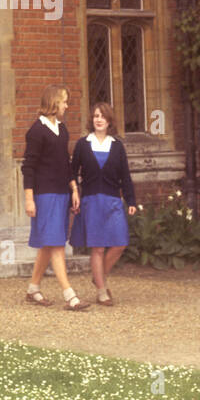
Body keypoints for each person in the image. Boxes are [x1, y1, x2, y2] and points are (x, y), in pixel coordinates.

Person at [22, 84, 89, 310]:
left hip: (61, 194)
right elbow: (28, 167)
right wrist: (29, 198)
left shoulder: (62, 129)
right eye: (64, 102)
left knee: (48, 243)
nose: (67, 106)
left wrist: (74, 189)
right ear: (54, 102)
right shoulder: (36, 131)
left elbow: (65, 164)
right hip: (44, 195)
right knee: (56, 244)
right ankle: (70, 296)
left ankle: (33, 289)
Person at [69, 101, 137, 307]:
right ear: (92, 120)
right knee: (97, 248)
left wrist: (131, 199)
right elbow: (71, 172)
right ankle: (101, 291)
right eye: (96, 116)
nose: (98, 119)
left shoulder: (117, 146)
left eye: (103, 116)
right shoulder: (82, 144)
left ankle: (99, 276)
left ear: (109, 121)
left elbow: (125, 175)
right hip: (90, 201)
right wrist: (74, 193)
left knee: (120, 243)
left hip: (113, 201)